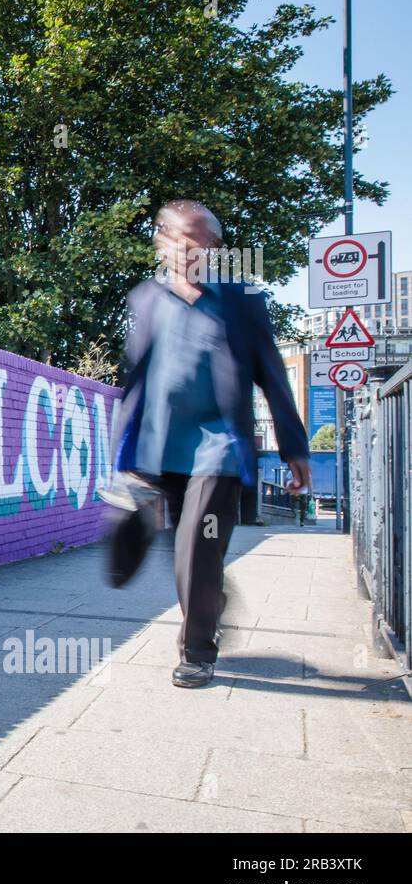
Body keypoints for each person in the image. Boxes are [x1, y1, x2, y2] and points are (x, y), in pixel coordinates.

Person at [112, 200, 310, 688]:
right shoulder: (146, 300)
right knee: (176, 549)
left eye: (201, 240)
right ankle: (212, 600)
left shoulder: (243, 301)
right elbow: (134, 380)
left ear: (217, 249)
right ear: (161, 242)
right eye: (179, 237)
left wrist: (294, 446)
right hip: (158, 448)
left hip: (218, 448)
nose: (188, 248)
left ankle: (197, 650)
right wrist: (122, 453)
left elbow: (273, 377)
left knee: (198, 546)